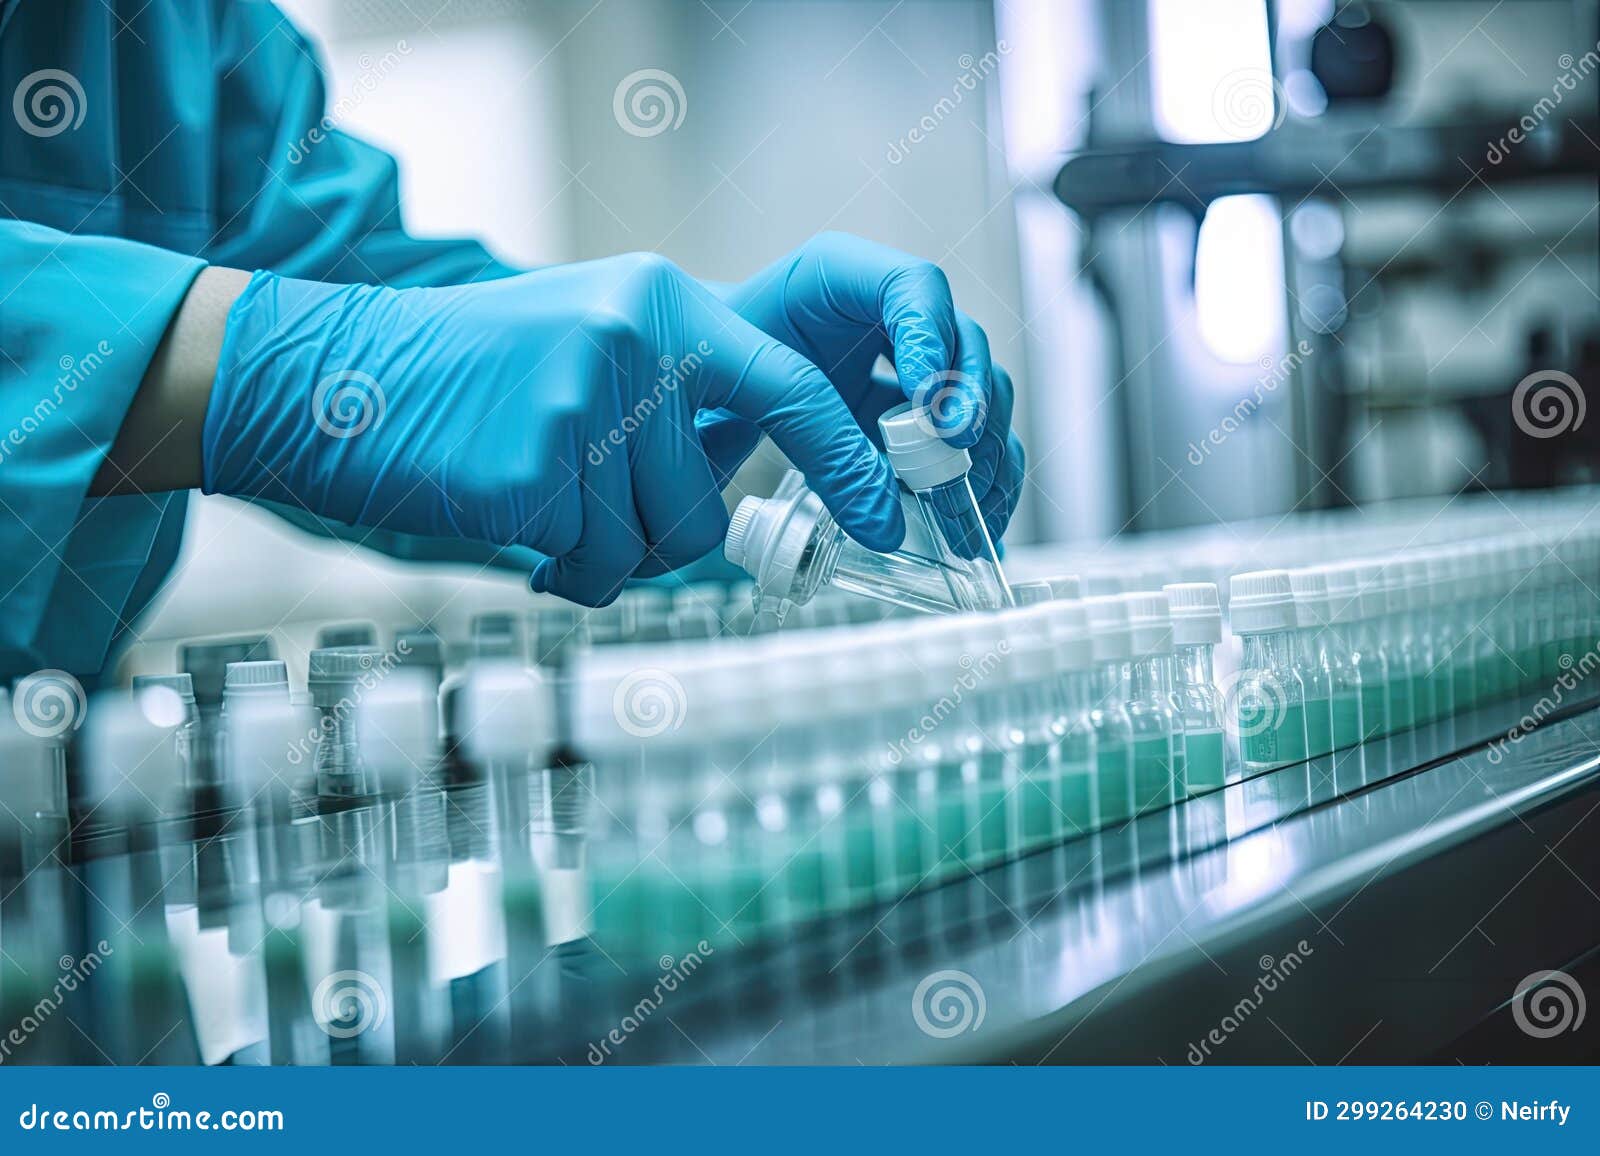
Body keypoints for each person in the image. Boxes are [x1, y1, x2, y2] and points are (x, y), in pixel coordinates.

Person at [0, 0, 1024, 681]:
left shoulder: (170, 25)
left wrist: (723, 402)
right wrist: (265, 362)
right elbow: (330, 343)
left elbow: (350, 293)